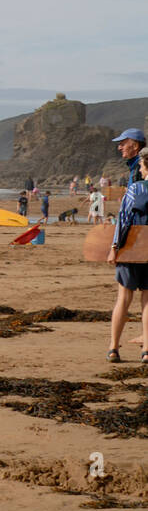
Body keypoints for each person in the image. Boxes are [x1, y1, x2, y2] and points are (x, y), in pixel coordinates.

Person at [107, 155, 148, 362]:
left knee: (123, 298)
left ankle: (114, 348)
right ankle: (147, 350)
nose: (140, 170)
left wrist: (114, 247)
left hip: (132, 248)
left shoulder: (136, 189)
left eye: (141, 166)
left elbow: (123, 220)